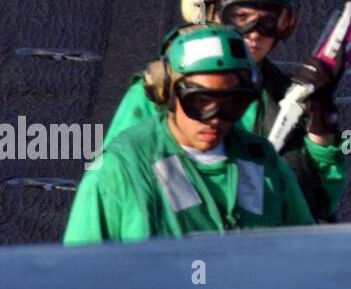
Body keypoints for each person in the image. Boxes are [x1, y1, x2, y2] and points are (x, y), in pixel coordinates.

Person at [103, 0, 345, 221]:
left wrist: (321, 116)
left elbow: (319, 201)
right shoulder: (157, 92)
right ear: (206, 10)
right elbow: (111, 190)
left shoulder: (287, 98)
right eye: (240, 17)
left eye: (269, 21)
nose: (254, 33)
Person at [64, 24, 315, 243]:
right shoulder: (121, 167)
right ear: (169, 95)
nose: (215, 118)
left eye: (232, 103)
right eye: (200, 102)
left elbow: (306, 254)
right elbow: (79, 271)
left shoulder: (263, 161)